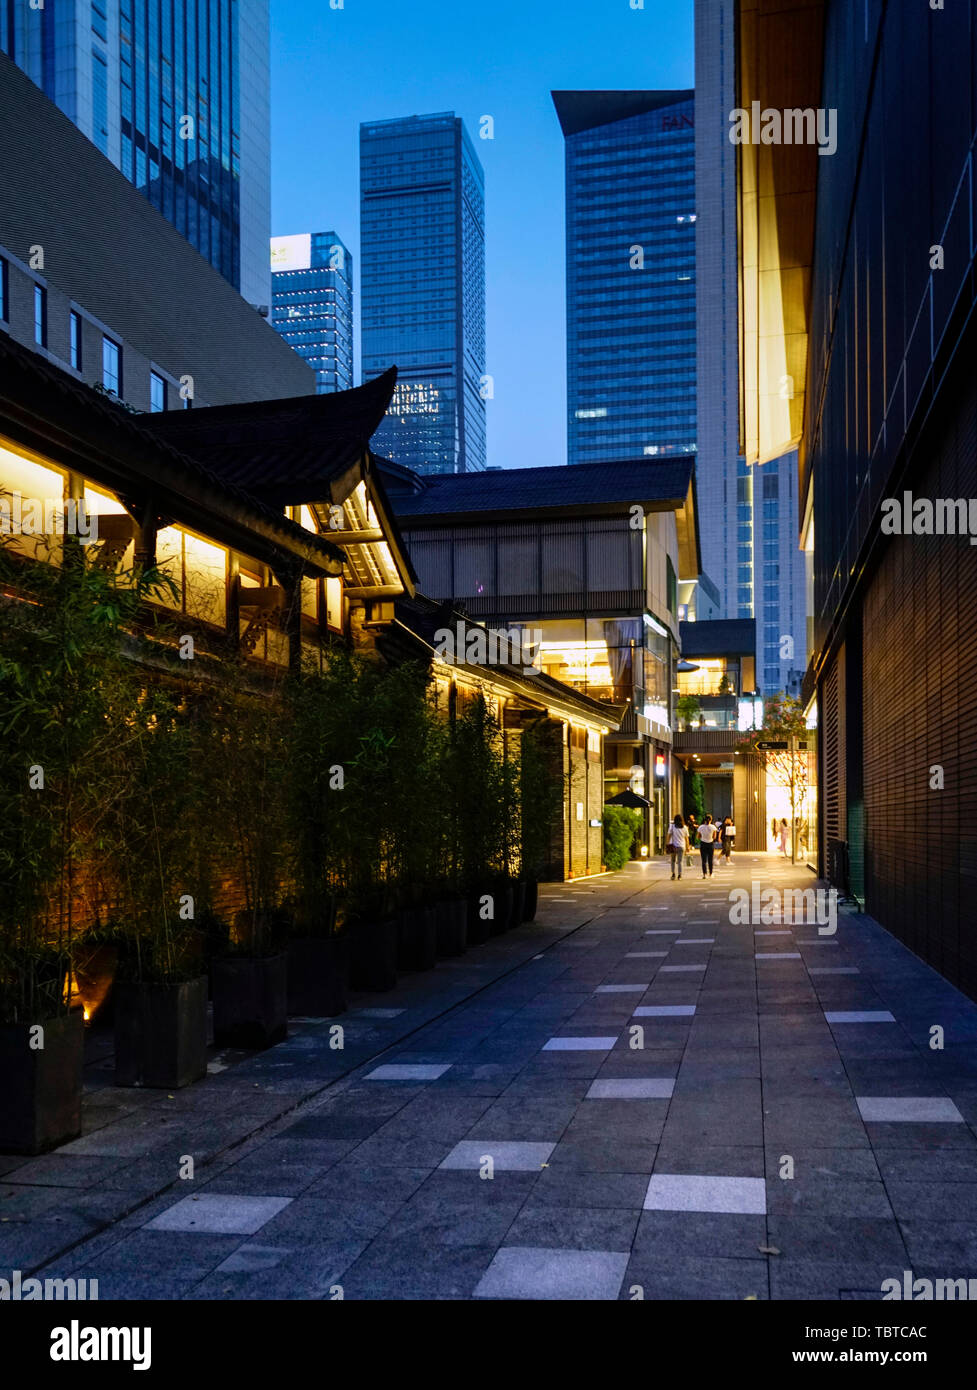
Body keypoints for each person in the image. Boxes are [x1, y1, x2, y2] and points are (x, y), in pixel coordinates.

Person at [666, 813, 688, 880]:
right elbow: (686, 839)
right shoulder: (685, 827)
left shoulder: (672, 826)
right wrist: (687, 847)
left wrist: (667, 844)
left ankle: (673, 874)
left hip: (674, 846)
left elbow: (669, 836)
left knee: (673, 861)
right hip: (681, 846)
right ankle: (679, 875)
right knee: (680, 861)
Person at [698, 813, 718, 877]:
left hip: (703, 843)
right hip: (710, 844)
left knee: (704, 860)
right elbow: (714, 837)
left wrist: (703, 837)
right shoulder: (713, 827)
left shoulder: (701, 827)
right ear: (711, 820)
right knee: (710, 859)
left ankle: (704, 874)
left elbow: (698, 836)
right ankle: (711, 873)